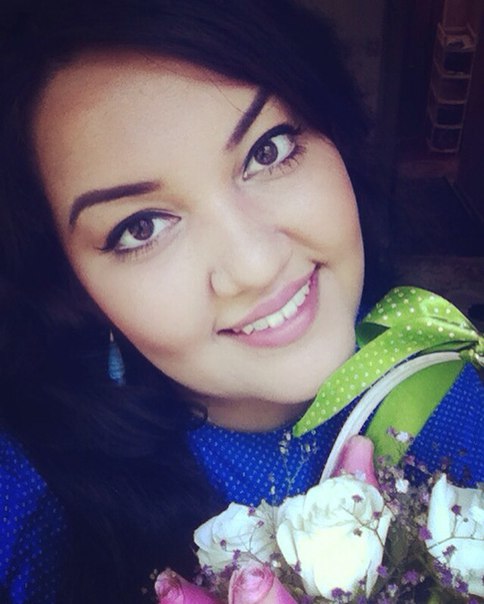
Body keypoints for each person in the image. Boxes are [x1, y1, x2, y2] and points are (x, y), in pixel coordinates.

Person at [0, 0, 482, 602]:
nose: (255, 266)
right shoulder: (33, 508)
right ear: (72, 290)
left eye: (268, 151)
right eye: (143, 227)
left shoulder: (450, 378)